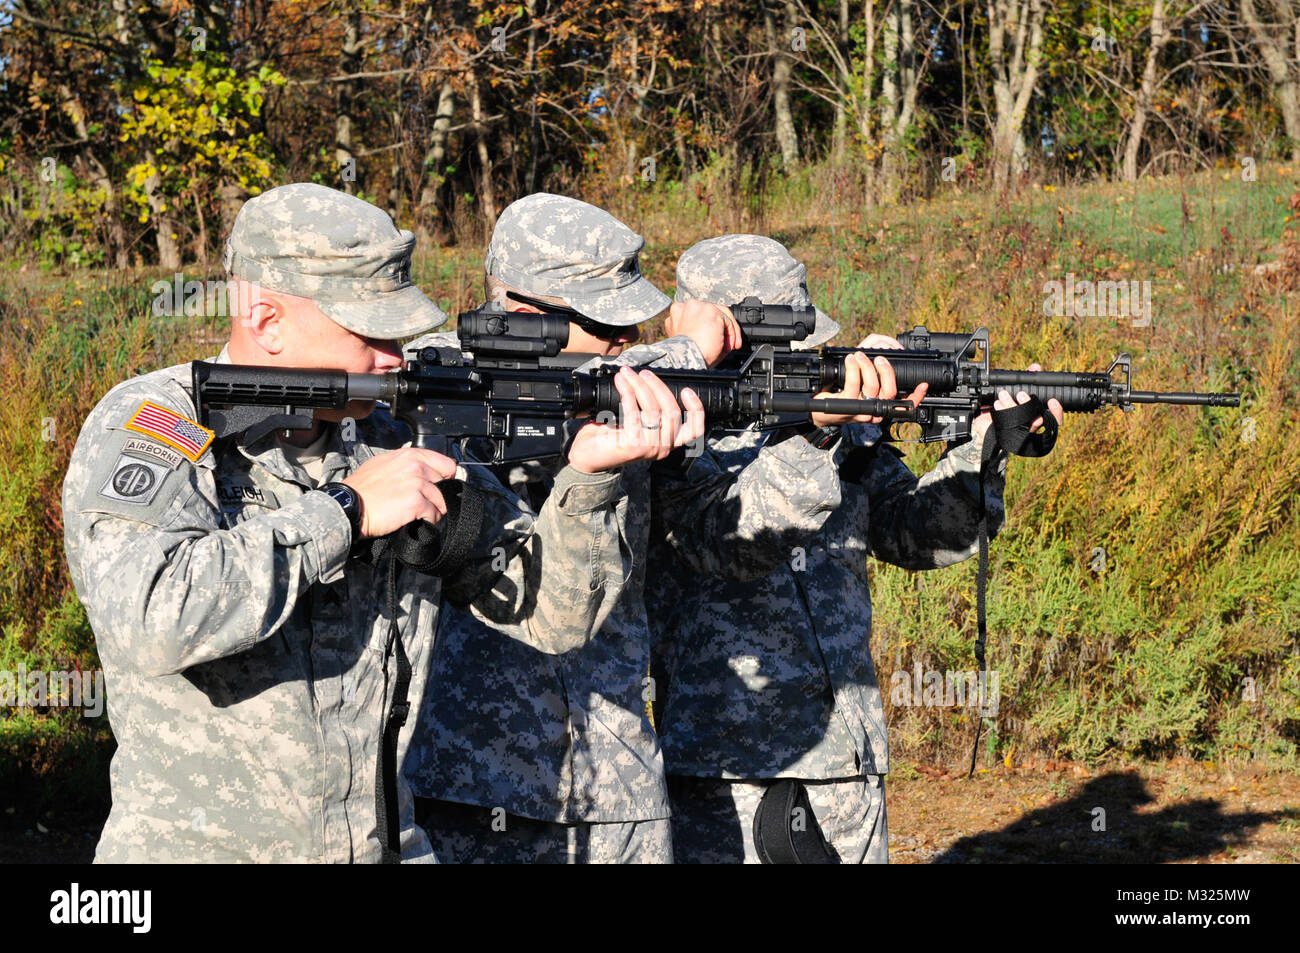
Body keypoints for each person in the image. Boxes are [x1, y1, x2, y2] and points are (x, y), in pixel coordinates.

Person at [60, 183, 699, 863]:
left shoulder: (393, 434)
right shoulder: (157, 424)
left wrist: (591, 478)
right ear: (266, 319)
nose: (396, 356)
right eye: (369, 333)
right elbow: (151, 617)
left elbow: (552, 613)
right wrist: (345, 513)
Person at [403, 194, 872, 862]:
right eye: (606, 320)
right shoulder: (434, 386)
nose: (627, 338)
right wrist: (684, 353)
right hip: (472, 791)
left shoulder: (638, 407)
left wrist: (811, 435)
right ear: (525, 313)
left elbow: (722, 538)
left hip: (618, 789)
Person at [646, 234, 1066, 863]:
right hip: (730, 765)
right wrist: (818, 437)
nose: (800, 354)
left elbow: (915, 535)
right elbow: (728, 544)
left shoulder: (833, 425)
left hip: (847, 759)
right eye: (781, 342)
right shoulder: (676, 436)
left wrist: (984, 452)